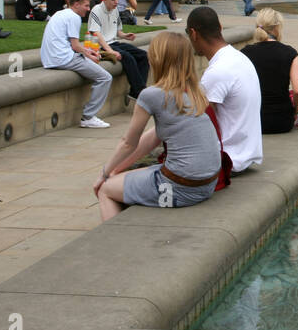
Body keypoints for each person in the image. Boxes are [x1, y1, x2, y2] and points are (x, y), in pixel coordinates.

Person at [93, 31, 222, 221]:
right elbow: (154, 137)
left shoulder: (152, 95)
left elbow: (129, 142)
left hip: (181, 187)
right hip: (207, 184)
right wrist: (117, 168)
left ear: (158, 59)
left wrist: (103, 174)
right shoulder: (196, 92)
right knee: (123, 176)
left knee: (106, 189)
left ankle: (113, 244)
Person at [187, 6, 262, 171]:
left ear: (193, 33)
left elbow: (195, 123)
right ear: (220, 28)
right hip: (245, 156)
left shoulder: (217, 71)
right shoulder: (240, 59)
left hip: (228, 160)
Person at [41, 0, 112, 128]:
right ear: (76, 4)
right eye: (85, 5)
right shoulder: (74, 17)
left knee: (90, 60)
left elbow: (72, 44)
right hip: (63, 59)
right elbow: (75, 45)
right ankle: (88, 117)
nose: (88, 9)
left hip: (50, 59)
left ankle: (89, 117)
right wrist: (89, 55)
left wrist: (87, 52)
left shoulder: (60, 13)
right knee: (105, 78)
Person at [242, 7, 298, 135]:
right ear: (277, 27)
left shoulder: (245, 52)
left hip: (254, 120)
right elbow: (297, 90)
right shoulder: (290, 52)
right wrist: (296, 111)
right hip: (282, 121)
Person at [88, 0, 150, 101]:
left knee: (143, 56)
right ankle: (140, 91)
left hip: (114, 42)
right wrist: (110, 51)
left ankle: (136, 91)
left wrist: (125, 35)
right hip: (102, 45)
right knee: (128, 58)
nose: (116, 2)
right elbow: (96, 33)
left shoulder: (115, 10)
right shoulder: (96, 10)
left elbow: (117, 31)